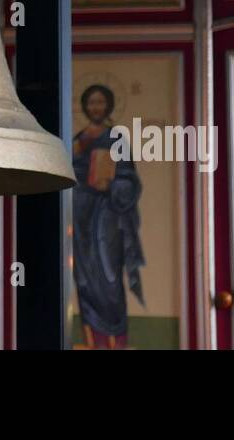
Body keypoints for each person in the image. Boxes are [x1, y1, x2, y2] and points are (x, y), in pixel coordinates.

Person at [71, 84, 144, 349]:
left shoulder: (116, 139)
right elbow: (67, 174)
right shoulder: (78, 140)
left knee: (110, 279)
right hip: (81, 215)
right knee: (84, 279)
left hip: (107, 218)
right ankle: (93, 343)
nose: (96, 108)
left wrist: (112, 184)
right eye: (91, 103)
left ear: (109, 106)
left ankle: (117, 344)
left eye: (101, 102)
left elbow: (129, 179)